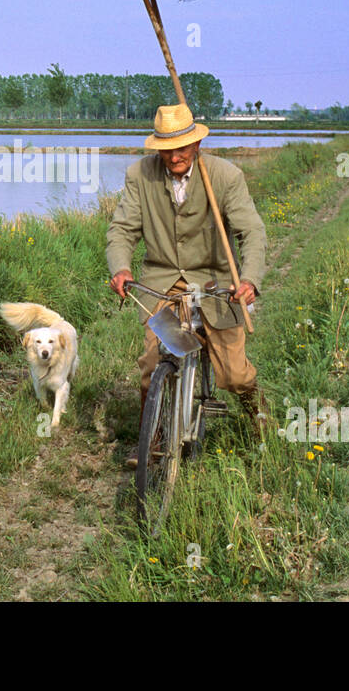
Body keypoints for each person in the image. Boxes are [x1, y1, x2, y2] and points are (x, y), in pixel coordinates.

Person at [106, 103, 269, 465]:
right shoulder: (140, 175)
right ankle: (156, 437)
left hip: (216, 284)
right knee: (152, 365)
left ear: (196, 145)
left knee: (235, 375)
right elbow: (122, 230)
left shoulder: (225, 176)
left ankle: (260, 419)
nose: (174, 156)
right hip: (163, 283)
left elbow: (252, 232)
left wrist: (249, 279)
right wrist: (121, 267)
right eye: (167, 148)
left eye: (182, 147)